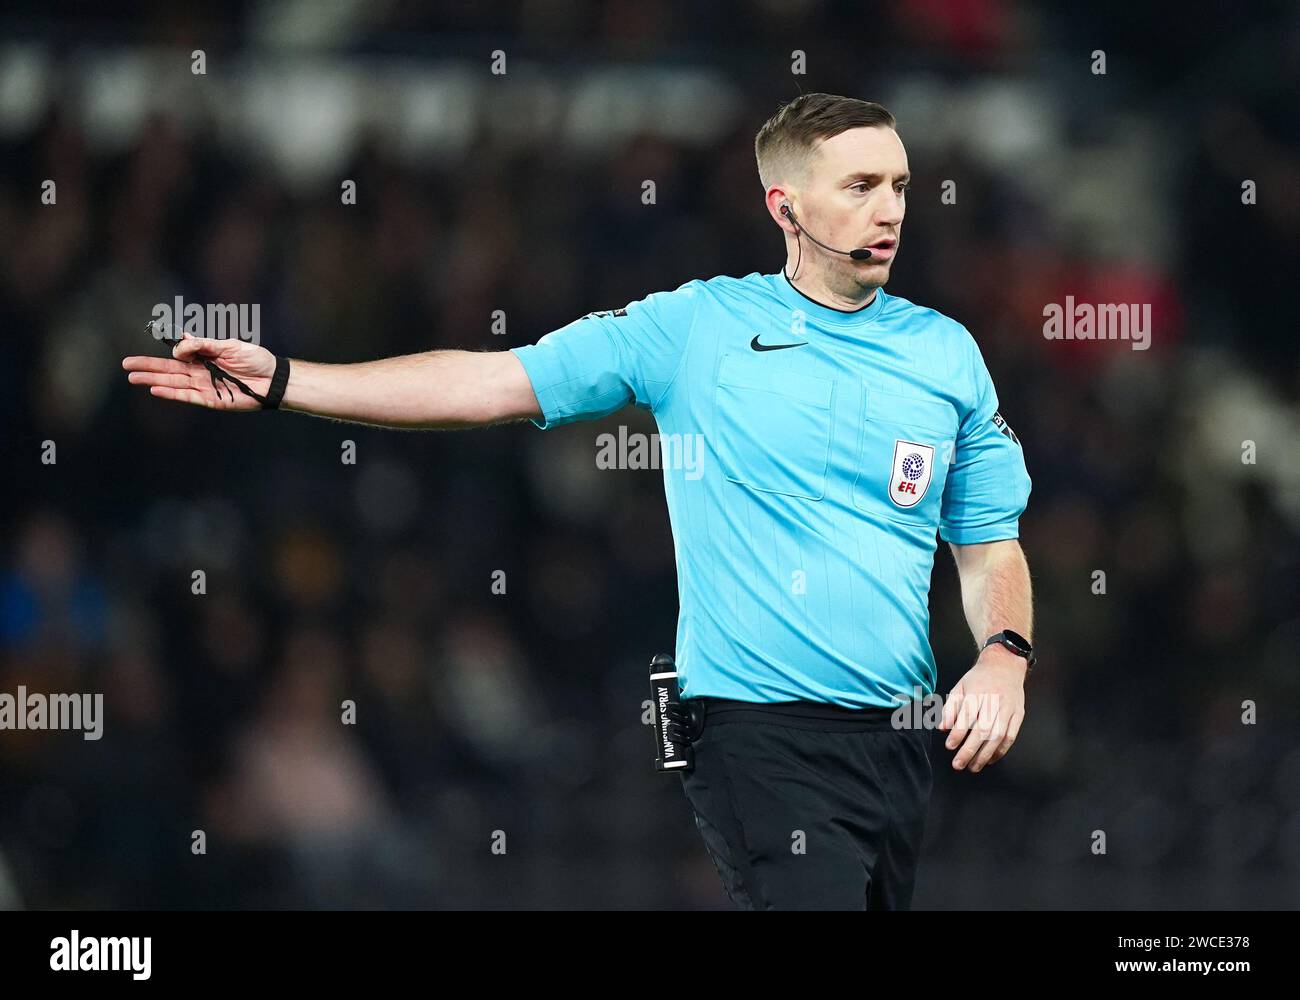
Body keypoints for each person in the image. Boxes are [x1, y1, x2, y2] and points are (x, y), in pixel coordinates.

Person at [122, 93, 1035, 911]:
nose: (891, 210)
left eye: (902, 185)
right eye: (863, 184)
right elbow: (491, 382)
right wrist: (287, 378)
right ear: (784, 206)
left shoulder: (944, 353)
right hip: (759, 731)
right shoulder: (698, 327)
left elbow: (990, 545)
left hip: (902, 737)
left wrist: (1004, 656)